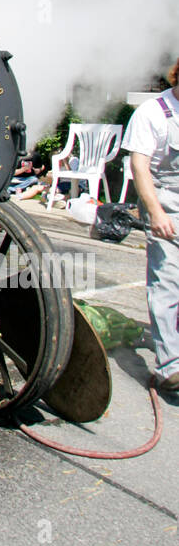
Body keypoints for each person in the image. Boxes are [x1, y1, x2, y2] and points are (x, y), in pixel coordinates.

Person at [123, 58, 179, 396]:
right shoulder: (153, 113)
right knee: (167, 282)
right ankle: (171, 367)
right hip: (166, 202)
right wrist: (156, 212)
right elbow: (140, 168)